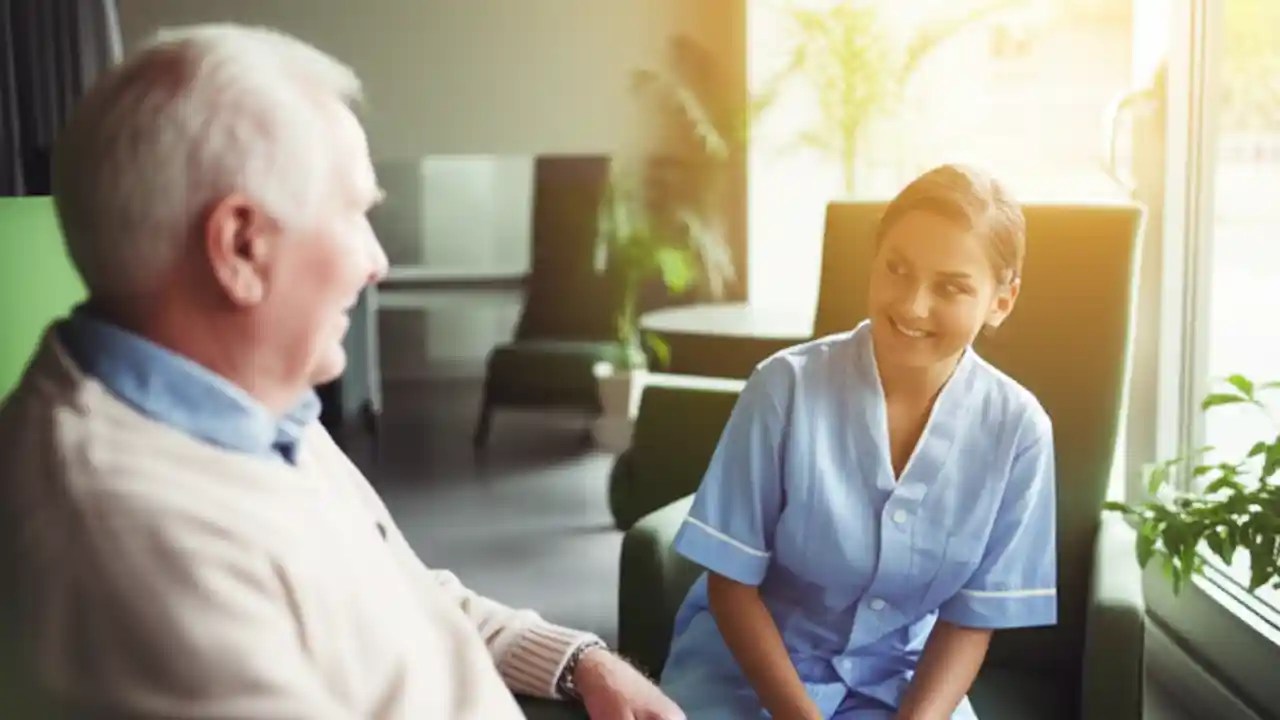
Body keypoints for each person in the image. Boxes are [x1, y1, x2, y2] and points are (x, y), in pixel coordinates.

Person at [0, 23, 682, 720]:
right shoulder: (141, 546)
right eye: (355, 214)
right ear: (242, 246)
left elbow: (397, 595)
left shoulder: (246, 407)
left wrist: (575, 661)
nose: (376, 260)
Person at [657, 164, 1057, 719]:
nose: (912, 305)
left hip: (904, 684)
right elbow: (731, 585)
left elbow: (972, 617)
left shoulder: (1020, 433)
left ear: (1001, 301)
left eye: (951, 287)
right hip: (751, 675)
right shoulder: (784, 388)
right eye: (896, 269)